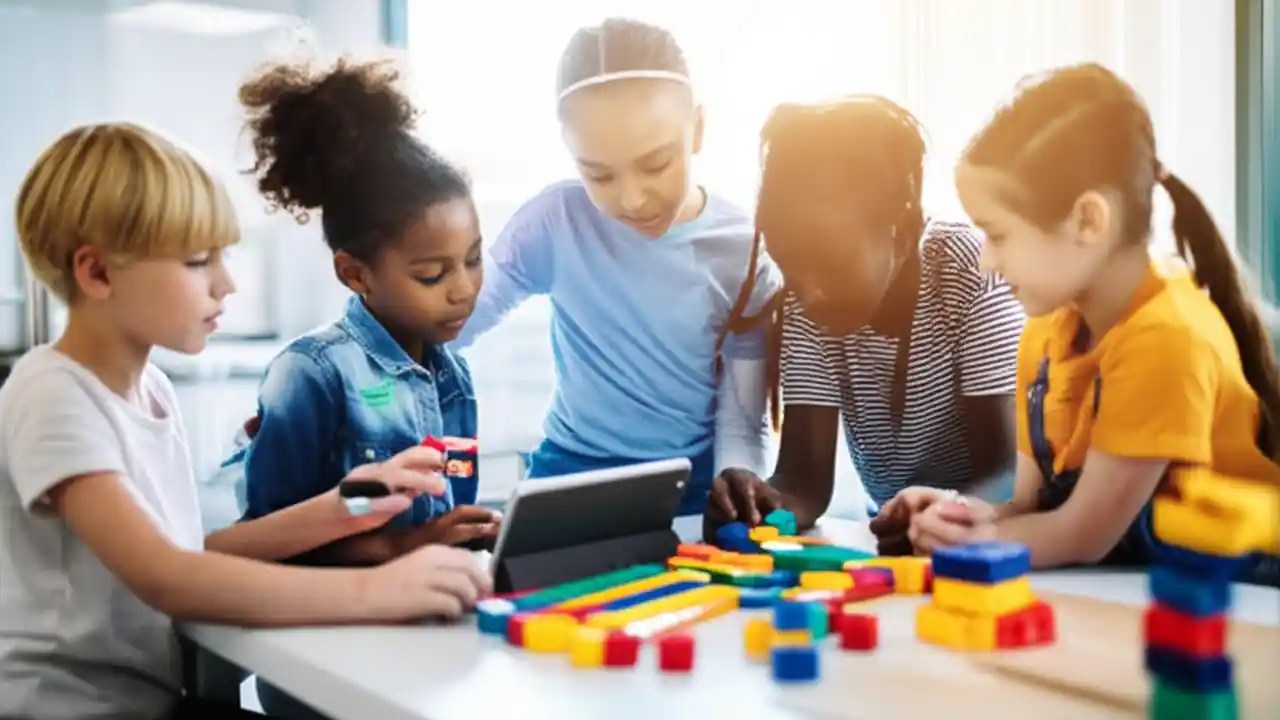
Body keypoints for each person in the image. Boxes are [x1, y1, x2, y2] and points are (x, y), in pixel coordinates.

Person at [0, 121, 490, 720]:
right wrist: (376, 590)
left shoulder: (148, 388)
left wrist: (351, 504)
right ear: (97, 273)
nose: (227, 284)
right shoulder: (52, 391)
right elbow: (167, 577)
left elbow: (194, 549)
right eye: (198, 261)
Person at [900, 64, 1280, 580]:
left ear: (1088, 221)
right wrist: (959, 514)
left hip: (1242, 598)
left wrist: (978, 542)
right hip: (1131, 587)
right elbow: (1035, 512)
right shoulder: (1044, 332)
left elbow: (1082, 534)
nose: (986, 261)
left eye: (999, 235)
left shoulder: (1167, 337)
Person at [451, 18, 781, 516]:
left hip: (689, 485)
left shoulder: (744, 250)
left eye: (656, 164)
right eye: (597, 173)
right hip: (567, 472)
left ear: (697, 129)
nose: (631, 199)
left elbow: (741, 413)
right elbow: (448, 319)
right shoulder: (555, 221)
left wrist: (737, 481)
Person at [704, 96, 1025, 547]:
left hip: (993, 541)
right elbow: (806, 481)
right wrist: (758, 500)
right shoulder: (806, 303)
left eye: (830, 265)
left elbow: (1008, 472)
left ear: (901, 227)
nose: (808, 293)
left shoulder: (973, 276)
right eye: (790, 266)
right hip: (908, 542)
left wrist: (947, 512)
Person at [222, 56, 501, 567]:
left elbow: (447, 515)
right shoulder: (310, 373)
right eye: (432, 275)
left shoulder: (454, 375)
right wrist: (405, 545)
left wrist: (468, 532)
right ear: (355, 273)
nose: (464, 290)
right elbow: (263, 539)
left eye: (474, 259)